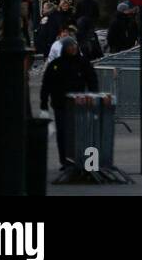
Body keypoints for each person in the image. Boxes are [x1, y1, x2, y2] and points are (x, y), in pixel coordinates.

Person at [40, 37, 99, 168]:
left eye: (74, 46)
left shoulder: (83, 63)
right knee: (62, 132)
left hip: (79, 103)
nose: (72, 49)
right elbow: (47, 84)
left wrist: (93, 95)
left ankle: (77, 157)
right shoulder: (56, 65)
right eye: (69, 46)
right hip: (61, 103)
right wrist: (43, 102)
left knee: (78, 132)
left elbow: (92, 79)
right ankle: (65, 160)